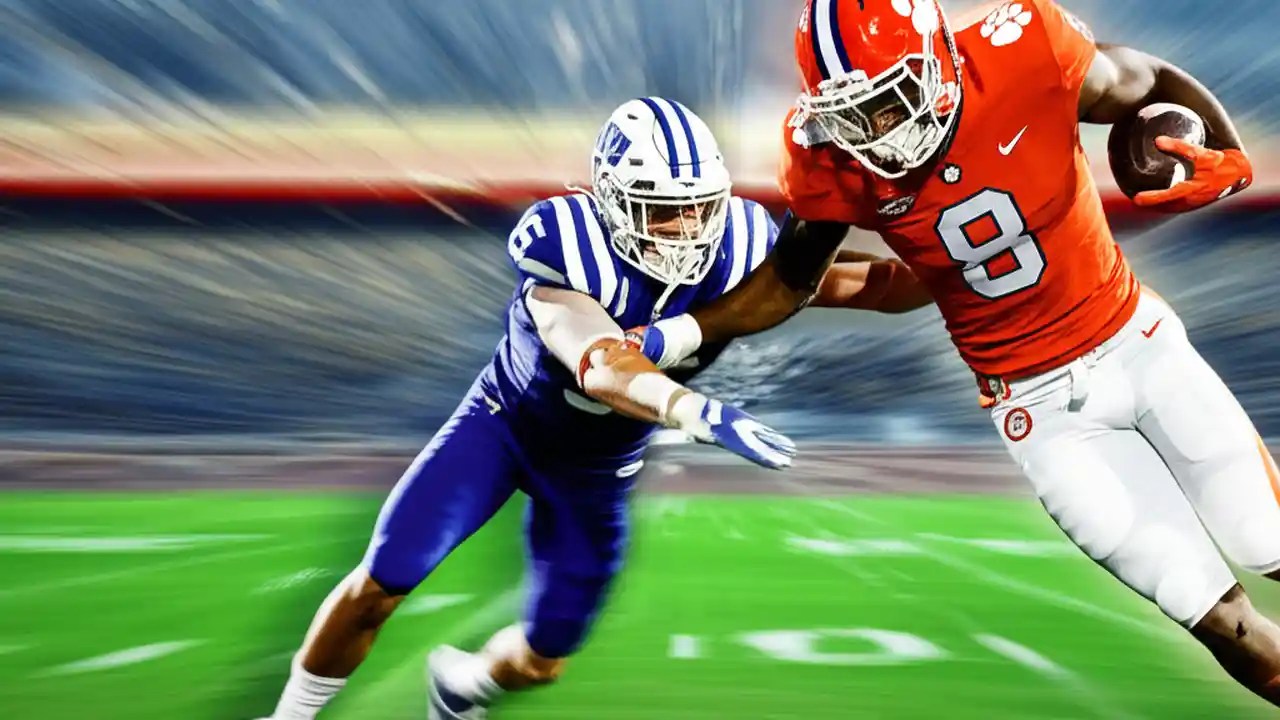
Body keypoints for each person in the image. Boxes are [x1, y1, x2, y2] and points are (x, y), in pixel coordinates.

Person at [628, 0, 1280, 705]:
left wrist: (1228, 150)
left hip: (1137, 344)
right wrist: (683, 331)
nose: (879, 130)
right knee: (1216, 615)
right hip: (1038, 412)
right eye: (854, 114)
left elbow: (1143, 79)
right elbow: (791, 280)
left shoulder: (1024, 47)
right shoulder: (825, 150)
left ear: (939, 56)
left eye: (890, 98)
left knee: (1266, 538)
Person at [257, 97, 800, 720]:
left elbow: (831, 283)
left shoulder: (742, 242)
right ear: (613, 200)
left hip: (597, 471)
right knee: (382, 582)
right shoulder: (567, 241)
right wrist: (693, 410)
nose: (687, 227)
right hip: (502, 428)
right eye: (663, 209)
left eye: (700, 205)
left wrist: (909, 252)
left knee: (544, 660)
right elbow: (602, 365)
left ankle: (464, 683)